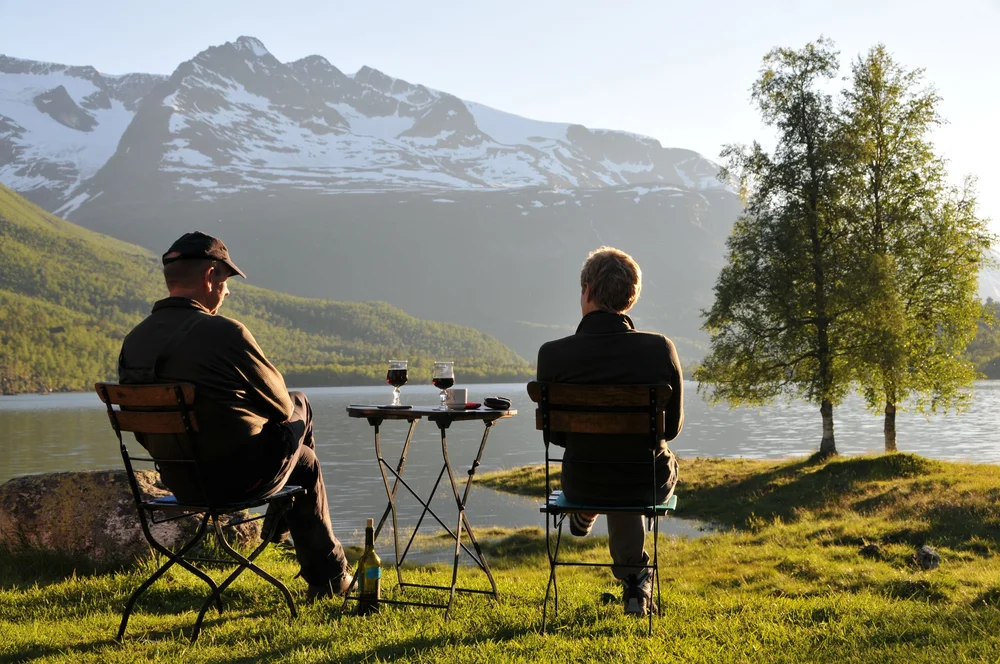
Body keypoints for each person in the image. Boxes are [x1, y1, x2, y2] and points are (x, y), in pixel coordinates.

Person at [118, 231, 350, 601]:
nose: (226, 292)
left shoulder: (134, 340)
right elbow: (281, 408)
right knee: (301, 413)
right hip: (236, 484)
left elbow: (142, 430)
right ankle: (328, 576)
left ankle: (312, 550)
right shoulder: (226, 333)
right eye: (225, 282)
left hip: (180, 484)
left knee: (302, 459)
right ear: (210, 277)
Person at [536, 246, 684, 617]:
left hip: (583, 482)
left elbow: (556, 436)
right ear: (631, 297)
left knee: (607, 466)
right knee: (637, 465)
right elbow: (672, 428)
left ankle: (585, 513)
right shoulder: (659, 348)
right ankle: (635, 582)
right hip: (644, 481)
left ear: (587, 290)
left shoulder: (553, 354)